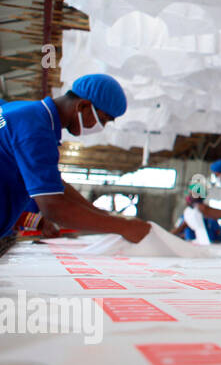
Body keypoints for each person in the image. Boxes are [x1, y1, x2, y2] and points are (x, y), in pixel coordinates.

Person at [0, 74, 149, 244]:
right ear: (83, 106)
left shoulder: (23, 111)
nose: (100, 127)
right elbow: (53, 207)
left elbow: (53, 184)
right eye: (102, 120)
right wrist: (123, 227)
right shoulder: (36, 131)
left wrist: (102, 215)